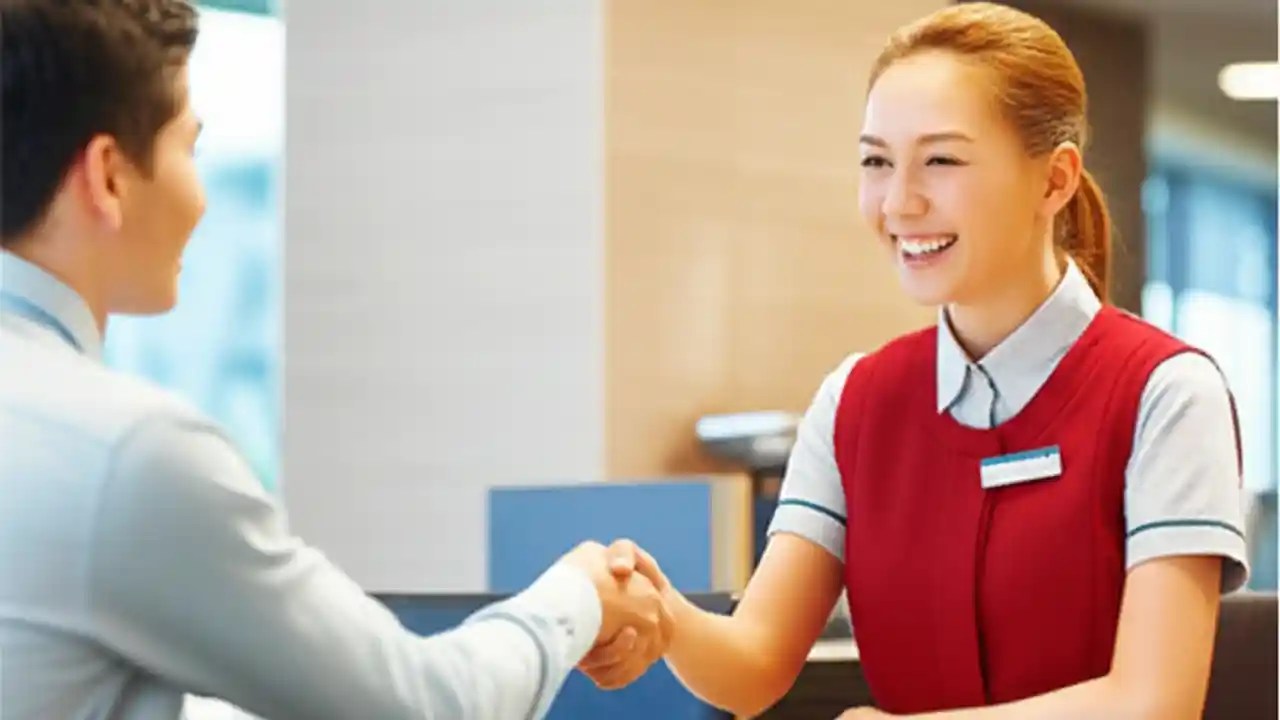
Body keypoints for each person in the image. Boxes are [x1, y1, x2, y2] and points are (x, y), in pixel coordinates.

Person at [0, 2, 669, 719]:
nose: (201, 200)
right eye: (189, 149)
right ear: (108, 177)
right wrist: (580, 594)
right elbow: (427, 707)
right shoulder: (129, 457)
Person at [579, 4, 1250, 719]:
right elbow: (754, 665)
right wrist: (663, 615)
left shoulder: (1167, 395)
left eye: (941, 160)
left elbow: (1153, 704)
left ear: (1054, 181)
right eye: (876, 161)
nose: (899, 202)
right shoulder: (855, 401)